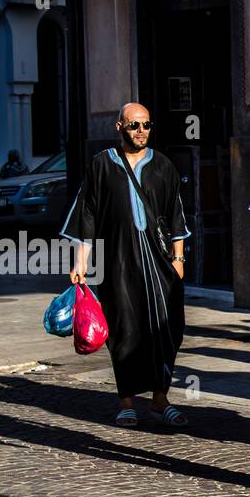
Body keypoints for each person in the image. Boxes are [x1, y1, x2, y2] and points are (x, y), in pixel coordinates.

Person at [63, 102, 191, 428]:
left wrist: (178, 260)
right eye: (134, 125)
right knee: (124, 330)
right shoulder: (102, 165)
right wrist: (81, 261)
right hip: (117, 261)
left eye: (146, 125)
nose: (141, 131)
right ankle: (127, 401)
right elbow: (87, 214)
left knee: (167, 329)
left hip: (160, 264)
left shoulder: (163, 166)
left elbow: (176, 216)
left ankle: (160, 400)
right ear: (119, 127)